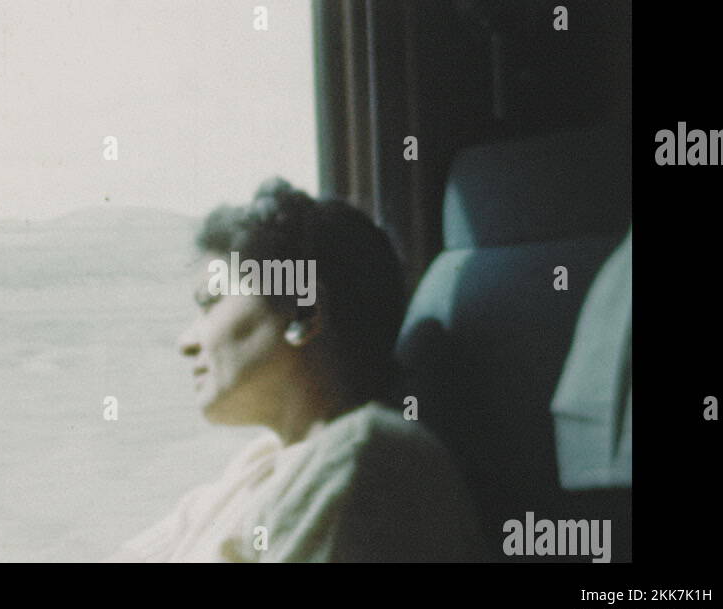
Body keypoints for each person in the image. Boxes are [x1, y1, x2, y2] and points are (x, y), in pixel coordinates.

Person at [103, 178, 485, 562]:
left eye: (210, 302)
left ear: (303, 312)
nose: (185, 342)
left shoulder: (362, 459)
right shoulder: (257, 466)